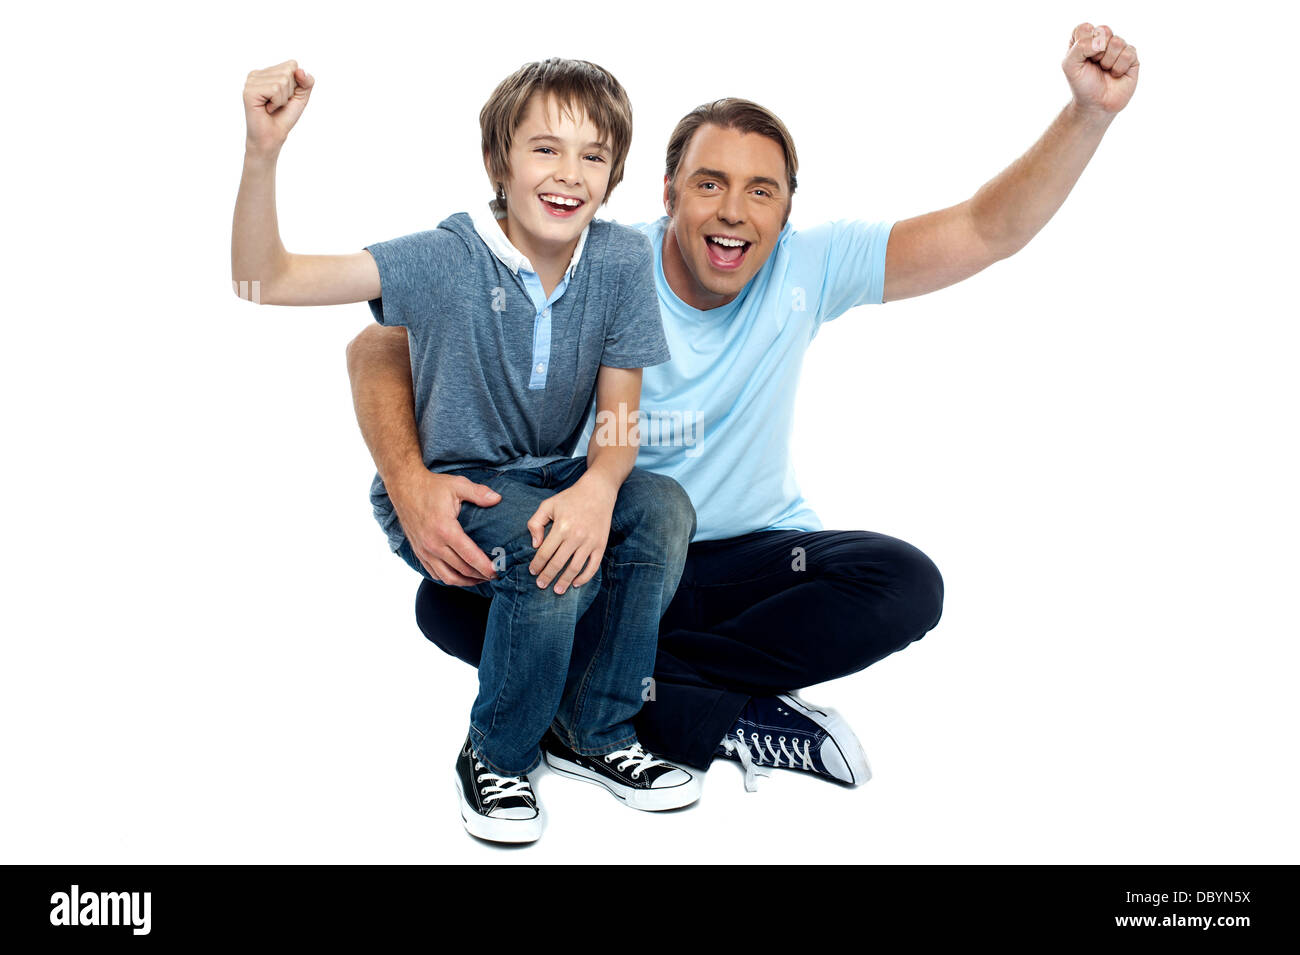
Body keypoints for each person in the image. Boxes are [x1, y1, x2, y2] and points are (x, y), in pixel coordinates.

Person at [346, 23, 1140, 792]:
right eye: (709, 184)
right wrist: (411, 484)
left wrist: (1089, 113)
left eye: (761, 191)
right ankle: (697, 711)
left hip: (756, 565)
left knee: (904, 583)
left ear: (786, 211)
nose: (733, 211)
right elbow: (378, 343)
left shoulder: (811, 265)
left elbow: (984, 228)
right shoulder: (603, 264)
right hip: (612, 557)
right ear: (668, 193)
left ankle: (617, 695)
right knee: (446, 604)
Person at [232, 57, 703, 844]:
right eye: (545, 148)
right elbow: (263, 280)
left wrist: (599, 487)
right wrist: (262, 152)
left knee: (663, 506)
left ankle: (597, 731)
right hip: (461, 484)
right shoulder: (446, 258)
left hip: (557, 474)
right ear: (500, 161)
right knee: (549, 546)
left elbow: (620, 421)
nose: (569, 174)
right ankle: (497, 752)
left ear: (614, 175)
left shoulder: (621, 262)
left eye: (593, 156)